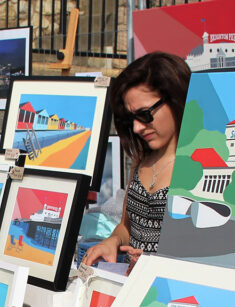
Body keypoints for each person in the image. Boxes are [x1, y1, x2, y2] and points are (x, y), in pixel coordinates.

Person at [81, 52, 191, 268]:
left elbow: (214, 249)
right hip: (136, 288)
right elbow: (126, 227)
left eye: (145, 114)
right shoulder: (142, 157)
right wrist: (112, 241)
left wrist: (159, 262)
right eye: (131, 118)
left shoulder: (204, 165)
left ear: (176, 99)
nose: (137, 127)